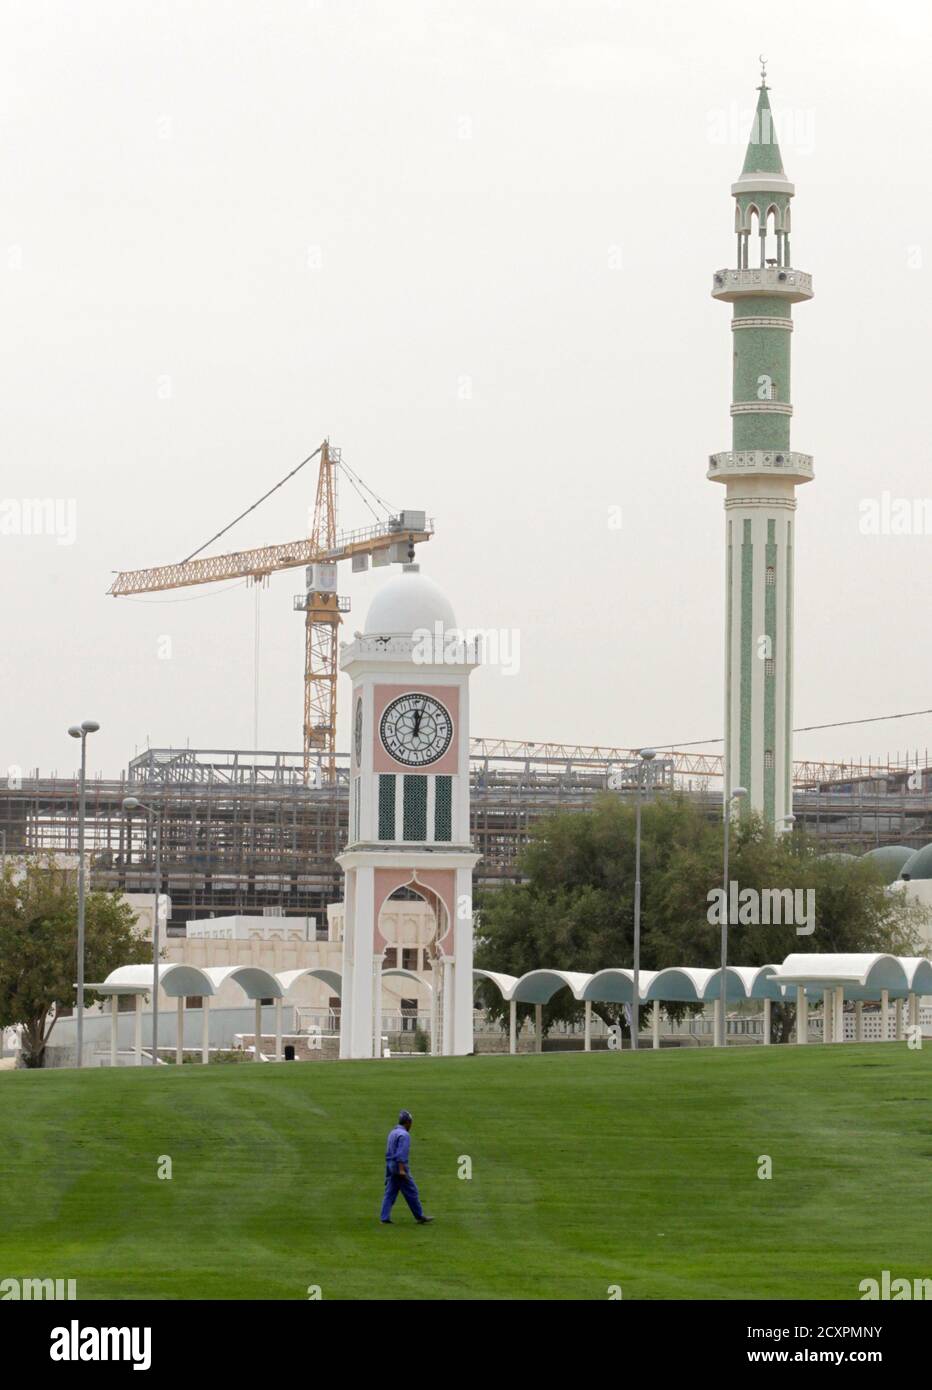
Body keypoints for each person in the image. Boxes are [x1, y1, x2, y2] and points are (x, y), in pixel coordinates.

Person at [380, 1109, 433, 1225]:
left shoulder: (392, 1132)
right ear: (408, 1122)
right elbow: (401, 1154)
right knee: (411, 1191)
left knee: (390, 1191)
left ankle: (384, 1217)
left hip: (390, 1164)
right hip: (399, 1166)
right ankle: (419, 1216)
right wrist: (402, 1170)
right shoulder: (404, 1135)